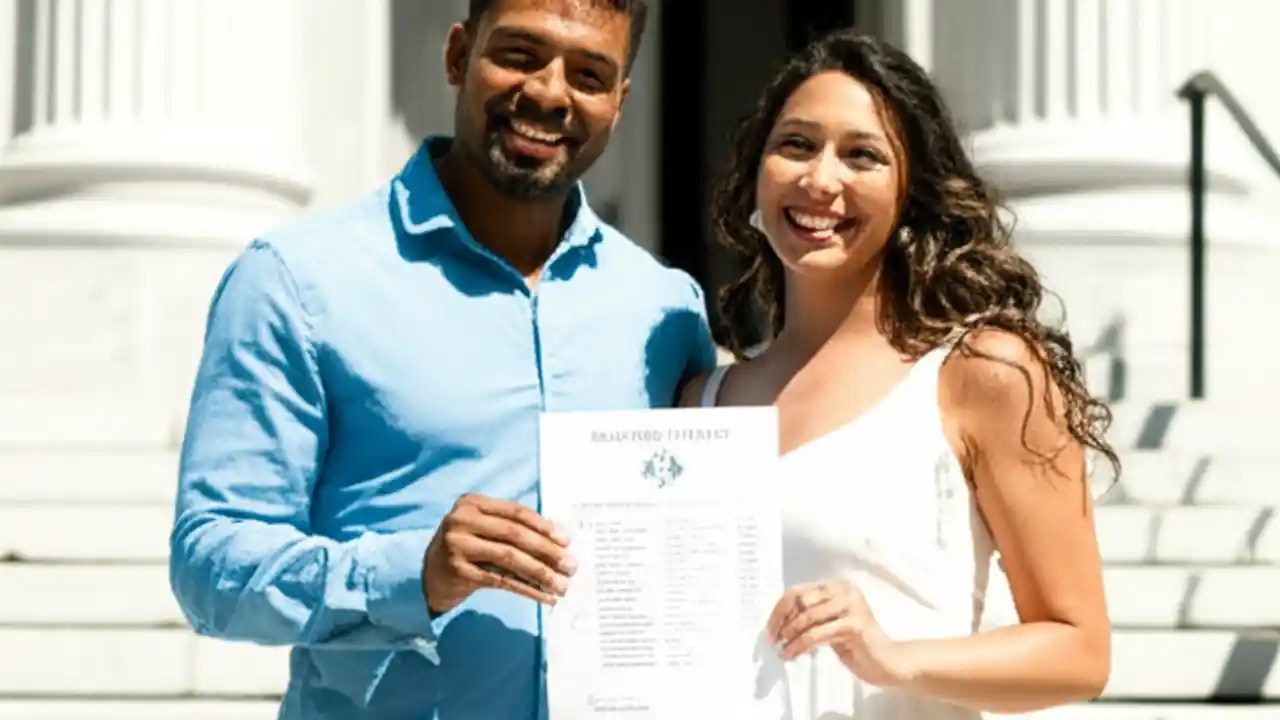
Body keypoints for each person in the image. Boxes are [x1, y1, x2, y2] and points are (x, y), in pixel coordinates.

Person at [168, 1, 714, 717]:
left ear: (620, 100)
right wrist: (410, 574)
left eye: (588, 73)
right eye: (520, 54)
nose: (550, 93)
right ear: (459, 55)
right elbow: (210, 565)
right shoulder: (296, 280)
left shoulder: (666, 309)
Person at [682, 29, 1116, 718]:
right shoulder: (698, 404)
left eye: (863, 156)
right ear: (755, 174)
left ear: (911, 192)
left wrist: (894, 656)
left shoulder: (983, 375)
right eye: (795, 144)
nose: (821, 178)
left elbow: (1080, 651)